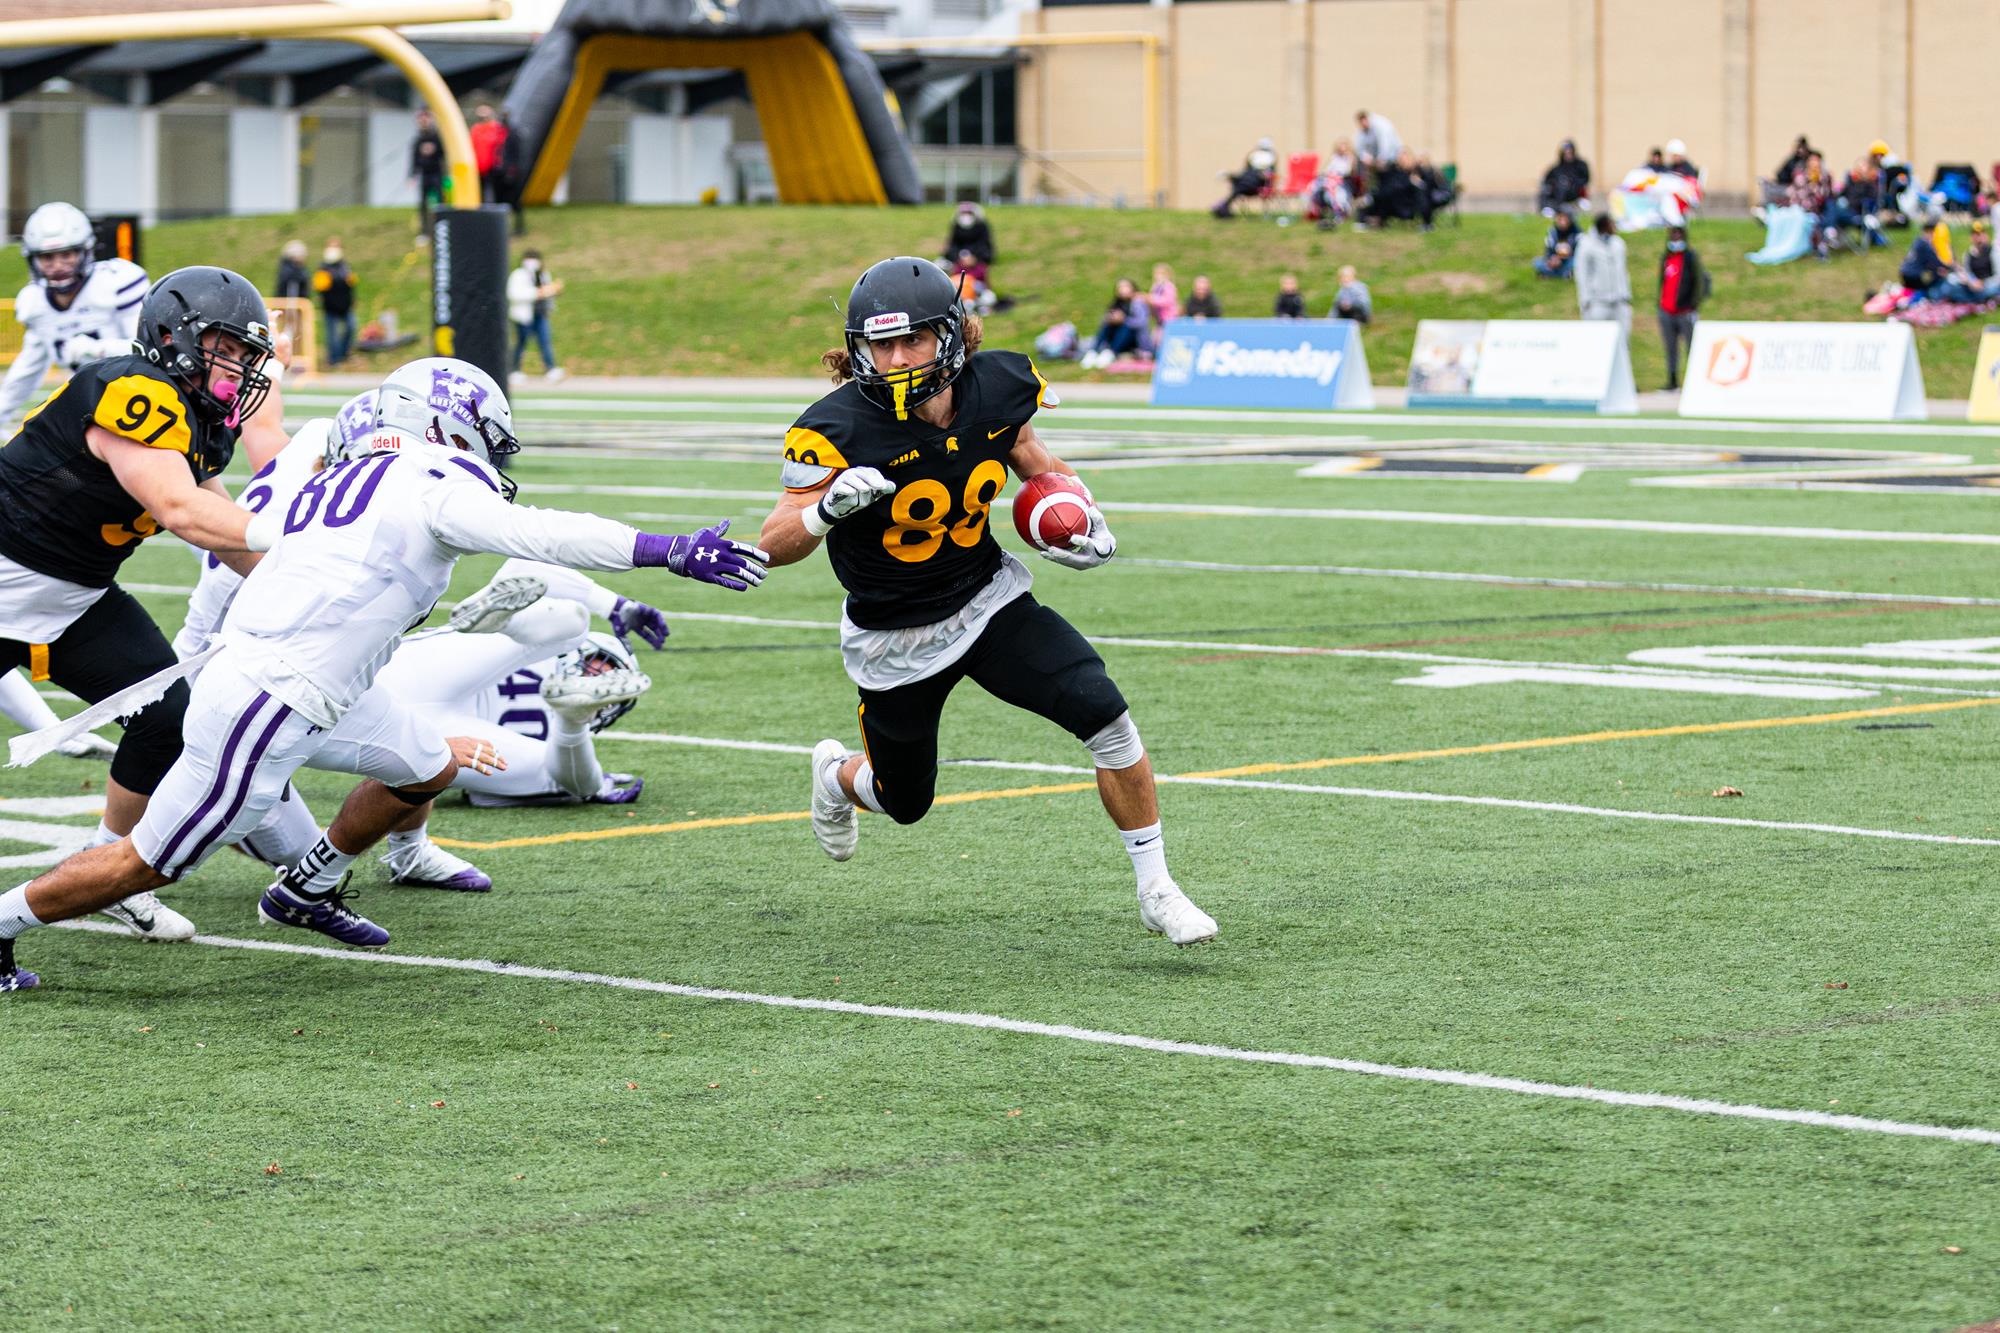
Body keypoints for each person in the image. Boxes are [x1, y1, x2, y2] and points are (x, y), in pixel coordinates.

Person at [0, 358, 772, 991]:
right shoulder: (432, 484)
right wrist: (666, 548)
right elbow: (541, 531)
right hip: (272, 696)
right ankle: (4, 924)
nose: (490, 459)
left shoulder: (342, 473)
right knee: (148, 864)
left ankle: (304, 886)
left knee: (426, 764)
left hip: (315, 681)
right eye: (485, 440)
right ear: (444, 427)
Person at [758, 255, 1217, 947]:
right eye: (879, 344)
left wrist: (1082, 516)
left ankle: (1156, 885)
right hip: (894, 636)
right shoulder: (836, 427)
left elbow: (1036, 460)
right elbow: (775, 539)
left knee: (1106, 714)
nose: (894, 358)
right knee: (903, 799)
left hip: (987, 598)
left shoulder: (1000, 385)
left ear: (950, 336)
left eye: (911, 339)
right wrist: (824, 511)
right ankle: (836, 776)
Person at [0, 265, 285, 952]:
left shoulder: (203, 419)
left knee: (166, 720)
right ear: (176, 337)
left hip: (76, 597)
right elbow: (182, 510)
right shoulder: (133, 390)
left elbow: (218, 515)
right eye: (228, 347)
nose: (241, 365)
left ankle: (101, 873)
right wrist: (298, 558)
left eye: (249, 353)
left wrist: (300, 586)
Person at [0, 202, 148, 433]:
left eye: (67, 254)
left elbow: (149, 350)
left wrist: (98, 350)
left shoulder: (116, 283)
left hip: (144, 398)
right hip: (92, 410)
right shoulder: (34, 303)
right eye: (47, 257)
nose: (58, 265)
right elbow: (27, 370)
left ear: (85, 252)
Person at [1657, 225, 1707, 390]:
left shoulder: (1690, 258)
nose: (1676, 239)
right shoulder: (1667, 257)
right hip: (1667, 310)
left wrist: (1693, 304)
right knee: (1671, 348)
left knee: (1692, 347)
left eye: (1678, 235)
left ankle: (1695, 381)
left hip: (1685, 311)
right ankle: (1672, 380)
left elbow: (1700, 282)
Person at [507, 249, 565, 381]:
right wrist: (537, 293)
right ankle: (514, 370)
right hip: (524, 316)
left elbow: (547, 293)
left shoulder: (543, 274)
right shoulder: (518, 275)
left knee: (545, 341)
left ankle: (550, 368)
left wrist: (554, 291)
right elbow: (514, 294)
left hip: (540, 314)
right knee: (521, 343)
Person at [1574, 213, 1631, 342]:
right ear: (1604, 225)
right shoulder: (1586, 244)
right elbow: (1581, 273)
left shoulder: (1618, 243)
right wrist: (1585, 300)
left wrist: (1626, 296)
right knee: (1597, 341)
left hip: (1619, 301)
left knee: (1622, 342)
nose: (1614, 227)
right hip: (1597, 302)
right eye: (1611, 224)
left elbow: (1623, 271)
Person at [1080, 278, 1147, 369]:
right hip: (1115, 337)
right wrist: (1111, 319)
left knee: (1126, 326)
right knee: (1107, 325)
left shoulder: (1137, 303)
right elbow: (1103, 320)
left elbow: (1141, 323)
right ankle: (1093, 351)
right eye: (1120, 287)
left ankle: (1111, 353)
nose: (1123, 289)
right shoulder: (1117, 303)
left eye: (1126, 286)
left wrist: (1124, 320)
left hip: (1133, 340)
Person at [1359, 150, 1434, 230]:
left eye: (1405, 158)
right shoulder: (1394, 170)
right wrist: (1374, 166)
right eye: (1401, 158)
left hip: (1409, 205)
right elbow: (1383, 178)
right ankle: (1371, 220)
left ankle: (1427, 224)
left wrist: (1418, 183)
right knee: (1379, 194)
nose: (1403, 161)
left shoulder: (1417, 171)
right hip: (1394, 203)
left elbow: (1426, 186)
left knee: (1421, 194)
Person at [313, 239, 358, 367]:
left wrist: (353, 299)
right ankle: (334, 359)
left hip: (346, 306)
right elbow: (320, 288)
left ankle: (344, 353)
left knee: (351, 327)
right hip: (331, 307)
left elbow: (350, 284)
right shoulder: (323, 268)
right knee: (332, 334)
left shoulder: (344, 266)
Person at [1933, 220, 1999, 304]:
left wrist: (1983, 283)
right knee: (1950, 285)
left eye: (1980, 235)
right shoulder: (1968, 255)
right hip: (1973, 286)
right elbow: (1968, 274)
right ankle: (1981, 300)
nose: (1978, 238)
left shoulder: (1994, 252)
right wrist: (1970, 282)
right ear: (1972, 238)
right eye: (1975, 235)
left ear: (1986, 236)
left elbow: (1998, 277)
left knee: (1992, 289)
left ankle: (1976, 299)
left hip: (1988, 285)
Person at [1211, 138, 1278, 218]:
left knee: (1239, 183)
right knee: (1241, 181)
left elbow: (1270, 175)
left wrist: (1263, 175)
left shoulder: (1270, 159)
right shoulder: (1253, 156)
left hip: (1256, 186)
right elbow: (1246, 170)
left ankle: (1223, 205)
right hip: (1247, 183)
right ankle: (1224, 206)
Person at [409, 108, 446, 238]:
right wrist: (412, 176)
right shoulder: (418, 139)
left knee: (440, 202)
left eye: (426, 118)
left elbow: (444, 154)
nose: (423, 121)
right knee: (423, 204)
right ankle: (424, 231)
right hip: (425, 175)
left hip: (437, 174)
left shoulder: (437, 137)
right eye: (421, 119)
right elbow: (414, 159)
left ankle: (442, 228)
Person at [1897, 215, 1951, 297]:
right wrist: (1948, 267)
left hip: (1904, 272)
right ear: (1930, 232)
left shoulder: (1918, 241)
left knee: (1914, 289)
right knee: (1926, 291)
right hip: (1913, 275)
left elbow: (1926, 262)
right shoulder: (1925, 245)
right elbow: (1935, 261)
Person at [470, 105, 508, 209]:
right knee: (480, 192)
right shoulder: (475, 129)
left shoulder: (496, 128)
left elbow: (502, 146)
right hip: (478, 166)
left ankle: (494, 210)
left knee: (494, 191)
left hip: (493, 167)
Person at [1538, 139, 1591, 215]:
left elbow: (1585, 179)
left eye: (1570, 152)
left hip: (1574, 191)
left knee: (1564, 186)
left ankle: (1560, 208)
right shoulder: (1557, 168)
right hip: (1558, 192)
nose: (1568, 155)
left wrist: (1572, 182)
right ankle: (1548, 209)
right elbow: (1547, 179)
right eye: (1565, 153)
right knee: (1547, 190)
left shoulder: (1580, 165)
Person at [940, 202, 994, 267]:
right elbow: (953, 244)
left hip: (976, 254)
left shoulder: (981, 226)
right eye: (964, 213)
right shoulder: (956, 226)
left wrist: (975, 258)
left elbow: (984, 244)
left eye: (969, 213)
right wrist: (958, 258)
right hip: (959, 254)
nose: (966, 216)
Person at [1534, 208, 1581, 277]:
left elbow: (1580, 252)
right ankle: (1564, 274)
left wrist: (1564, 257)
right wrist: (1551, 259)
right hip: (1555, 261)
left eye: (1564, 219)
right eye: (1559, 219)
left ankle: (1551, 274)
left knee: (1575, 263)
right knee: (1537, 262)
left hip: (1569, 260)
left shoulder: (1577, 233)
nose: (1562, 222)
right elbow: (1548, 249)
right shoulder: (1552, 232)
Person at [1353, 110, 1401, 175]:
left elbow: (1385, 143)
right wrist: (1365, 157)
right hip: (1377, 162)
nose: (1363, 124)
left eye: (1364, 121)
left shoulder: (1380, 125)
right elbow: (1359, 148)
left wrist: (1382, 158)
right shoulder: (1362, 131)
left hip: (1392, 158)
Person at [1146, 263, 1181, 337]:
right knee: (1155, 337)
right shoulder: (1155, 287)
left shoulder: (1169, 286)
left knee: (1164, 337)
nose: (1158, 276)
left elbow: (1168, 301)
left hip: (1169, 318)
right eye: (1157, 274)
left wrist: (1152, 299)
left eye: (1162, 274)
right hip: (1159, 318)